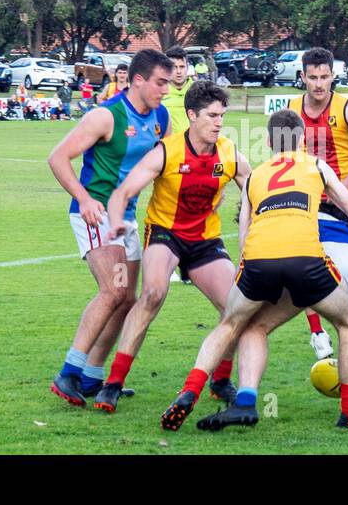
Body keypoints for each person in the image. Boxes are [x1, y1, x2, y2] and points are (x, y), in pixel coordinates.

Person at [160, 109, 348, 430]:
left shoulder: (255, 176)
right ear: (303, 139)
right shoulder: (316, 165)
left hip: (259, 260)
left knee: (236, 325)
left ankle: (205, 394)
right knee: (346, 324)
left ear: (272, 142)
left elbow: (244, 237)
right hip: (307, 259)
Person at [91, 81, 250, 413]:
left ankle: (221, 382)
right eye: (211, 115)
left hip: (205, 240)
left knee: (237, 307)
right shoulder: (167, 150)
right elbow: (123, 191)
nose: (219, 122)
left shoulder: (228, 151)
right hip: (165, 233)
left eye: (222, 115)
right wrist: (116, 220)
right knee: (153, 294)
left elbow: (255, 185)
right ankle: (114, 383)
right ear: (192, 115)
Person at [48, 49, 173, 406]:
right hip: (96, 213)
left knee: (127, 300)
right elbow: (57, 158)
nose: (165, 90)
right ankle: (68, 373)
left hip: (126, 217)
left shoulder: (160, 116)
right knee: (113, 291)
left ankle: (91, 375)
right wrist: (85, 199)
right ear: (138, 80)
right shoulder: (106, 116)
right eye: (160, 83)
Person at [288, 47, 348, 360]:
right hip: (307, 202)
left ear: (334, 75)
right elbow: (280, 156)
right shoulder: (290, 110)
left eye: (324, 77)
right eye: (312, 77)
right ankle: (317, 332)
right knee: (306, 267)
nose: (318, 84)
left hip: (346, 204)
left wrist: (340, 186)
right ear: (302, 76)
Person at [162, 46, 195, 128]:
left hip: (192, 141)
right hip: (168, 140)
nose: (179, 71)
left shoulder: (198, 91)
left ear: (187, 67)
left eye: (182, 67)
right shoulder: (159, 93)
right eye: (174, 67)